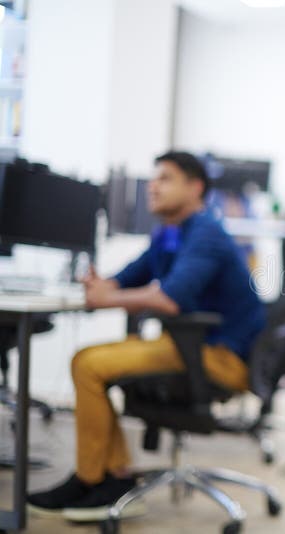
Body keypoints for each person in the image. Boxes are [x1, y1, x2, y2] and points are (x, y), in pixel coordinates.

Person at [27, 151, 266, 522]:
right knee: (87, 361)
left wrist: (106, 298)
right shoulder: (169, 234)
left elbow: (169, 299)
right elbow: (126, 279)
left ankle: (92, 480)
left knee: (88, 365)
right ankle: (113, 476)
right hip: (187, 347)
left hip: (220, 357)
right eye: (154, 178)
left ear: (195, 187)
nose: (152, 186)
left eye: (165, 178)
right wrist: (100, 285)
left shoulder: (206, 233)